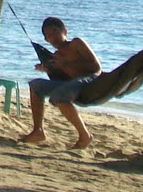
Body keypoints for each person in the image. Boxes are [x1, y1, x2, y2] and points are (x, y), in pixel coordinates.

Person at [21, 16, 102, 149]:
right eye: (49, 36)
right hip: (71, 84)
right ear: (46, 40)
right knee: (35, 85)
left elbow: (96, 67)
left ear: (64, 31)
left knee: (59, 95)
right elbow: (62, 77)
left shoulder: (76, 43)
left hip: (90, 81)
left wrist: (65, 64)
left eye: (55, 32)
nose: (53, 37)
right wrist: (47, 69)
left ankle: (85, 135)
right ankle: (38, 131)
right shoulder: (56, 56)